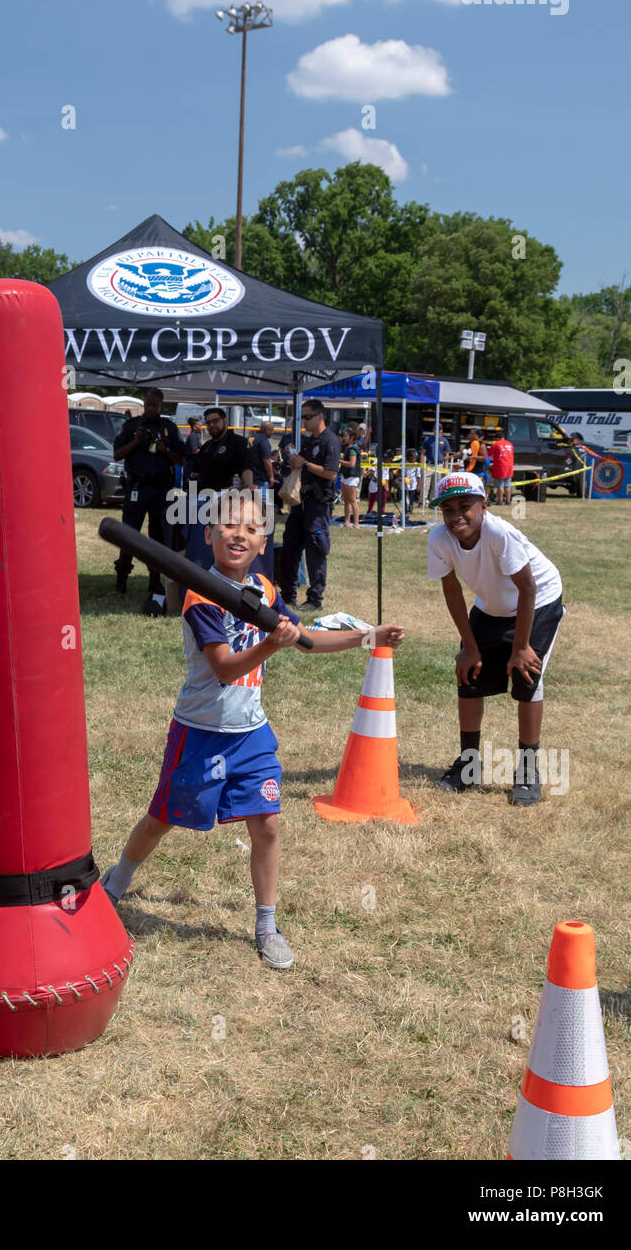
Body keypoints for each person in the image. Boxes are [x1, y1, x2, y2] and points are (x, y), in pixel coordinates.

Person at [99, 489, 404, 969]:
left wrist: (369, 637)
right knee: (162, 819)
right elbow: (224, 668)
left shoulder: (264, 588)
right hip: (199, 733)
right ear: (209, 534)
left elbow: (305, 641)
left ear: (264, 541)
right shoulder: (200, 595)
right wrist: (270, 647)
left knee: (267, 825)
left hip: (251, 734)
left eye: (250, 527)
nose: (238, 533)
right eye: (227, 525)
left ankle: (266, 923)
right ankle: (115, 884)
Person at [426, 472, 564, 807]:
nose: (456, 515)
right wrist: (469, 648)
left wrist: (521, 648)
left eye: (464, 506)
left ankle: (529, 770)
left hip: (539, 599)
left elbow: (528, 588)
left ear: (484, 506)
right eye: (447, 509)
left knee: (526, 675)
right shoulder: (439, 539)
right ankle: (469, 765)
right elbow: (453, 591)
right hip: (491, 606)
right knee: (469, 675)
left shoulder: (499, 533)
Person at [113, 388, 186, 615]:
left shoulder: (169, 429)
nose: (150, 408)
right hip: (137, 487)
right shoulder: (132, 426)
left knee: (157, 538)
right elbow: (117, 455)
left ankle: (155, 582)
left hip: (160, 490)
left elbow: (181, 458)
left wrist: (165, 449)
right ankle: (121, 579)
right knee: (128, 535)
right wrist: (135, 442)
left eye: (154, 405)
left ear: (161, 405)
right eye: (147, 404)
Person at [278, 400, 341, 612]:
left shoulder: (329, 441)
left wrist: (304, 464)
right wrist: (294, 455)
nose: (303, 421)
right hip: (301, 503)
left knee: (315, 551)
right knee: (290, 548)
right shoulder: (309, 442)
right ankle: (288, 595)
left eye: (306, 417)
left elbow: (331, 473)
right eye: (301, 417)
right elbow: (302, 464)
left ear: (320, 416)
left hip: (318, 504)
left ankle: (315, 599)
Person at [185, 407, 255, 571]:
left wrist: (245, 492)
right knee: (202, 549)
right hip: (202, 506)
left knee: (222, 548)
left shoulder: (239, 443)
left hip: (229, 507)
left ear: (225, 421)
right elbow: (195, 472)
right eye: (208, 422)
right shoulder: (207, 446)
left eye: (215, 421)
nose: (211, 425)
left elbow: (247, 470)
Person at [421, 425, 452, 502]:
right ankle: (422, 501)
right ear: (433, 430)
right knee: (425, 483)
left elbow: (446, 455)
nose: (437, 431)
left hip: (439, 464)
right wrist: (422, 466)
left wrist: (445, 468)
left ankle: (433, 500)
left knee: (437, 484)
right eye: (436, 429)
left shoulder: (444, 441)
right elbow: (422, 453)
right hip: (429, 464)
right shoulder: (427, 440)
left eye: (439, 429)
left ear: (442, 430)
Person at [338, 426, 361, 528]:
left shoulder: (353, 449)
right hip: (345, 476)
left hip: (351, 477)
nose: (344, 438)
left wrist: (340, 461)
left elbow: (352, 464)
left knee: (353, 501)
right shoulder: (347, 448)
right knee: (346, 500)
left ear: (352, 437)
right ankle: (347, 522)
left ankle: (356, 524)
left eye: (345, 436)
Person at [487, 427, 514, 506]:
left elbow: (488, 455)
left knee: (500, 485)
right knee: (508, 485)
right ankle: (508, 501)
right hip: (510, 466)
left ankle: (500, 501)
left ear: (497, 438)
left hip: (500, 466)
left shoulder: (496, 444)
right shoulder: (510, 444)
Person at [249, 420, 275, 498]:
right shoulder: (264, 441)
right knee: (263, 505)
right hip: (259, 480)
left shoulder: (251, 438)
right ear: (267, 430)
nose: (273, 432)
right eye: (272, 430)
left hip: (248, 477)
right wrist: (271, 476)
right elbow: (267, 461)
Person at [183, 416, 204, 482]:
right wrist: (205, 450)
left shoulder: (196, 435)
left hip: (194, 466)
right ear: (195, 427)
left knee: (195, 488)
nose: (202, 428)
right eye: (200, 426)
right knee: (192, 489)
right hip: (190, 466)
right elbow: (194, 451)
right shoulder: (193, 436)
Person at [405, 449, 421, 516]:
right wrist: (402, 478)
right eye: (412, 458)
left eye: (415, 458)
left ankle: (410, 509)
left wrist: (419, 485)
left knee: (411, 497)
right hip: (405, 483)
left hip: (413, 483)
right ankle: (405, 509)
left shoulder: (416, 465)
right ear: (408, 457)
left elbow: (418, 476)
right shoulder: (404, 463)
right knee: (405, 497)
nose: (413, 459)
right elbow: (399, 472)